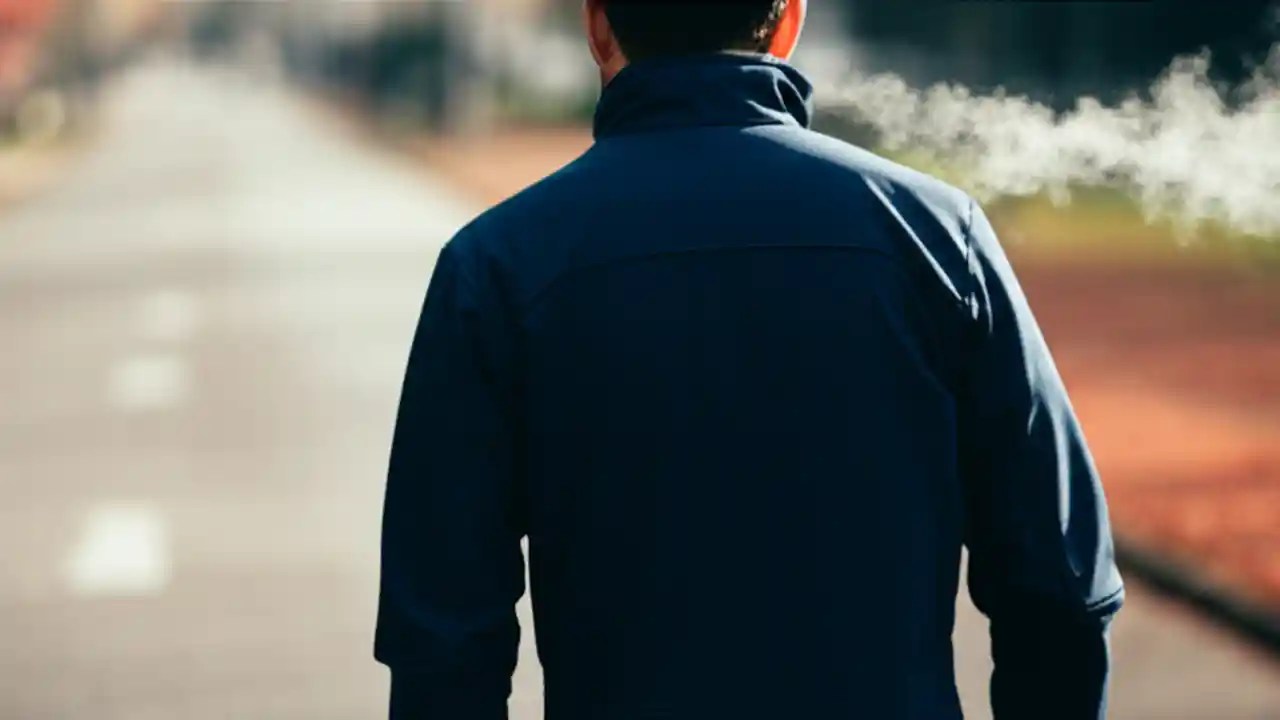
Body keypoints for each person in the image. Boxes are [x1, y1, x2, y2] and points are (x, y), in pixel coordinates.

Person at [375, 1, 1125, 718]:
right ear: (788, 20)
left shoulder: (495, 268)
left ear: (598, 25)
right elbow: (1062, 590)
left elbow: (441, 645)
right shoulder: (935, 238)